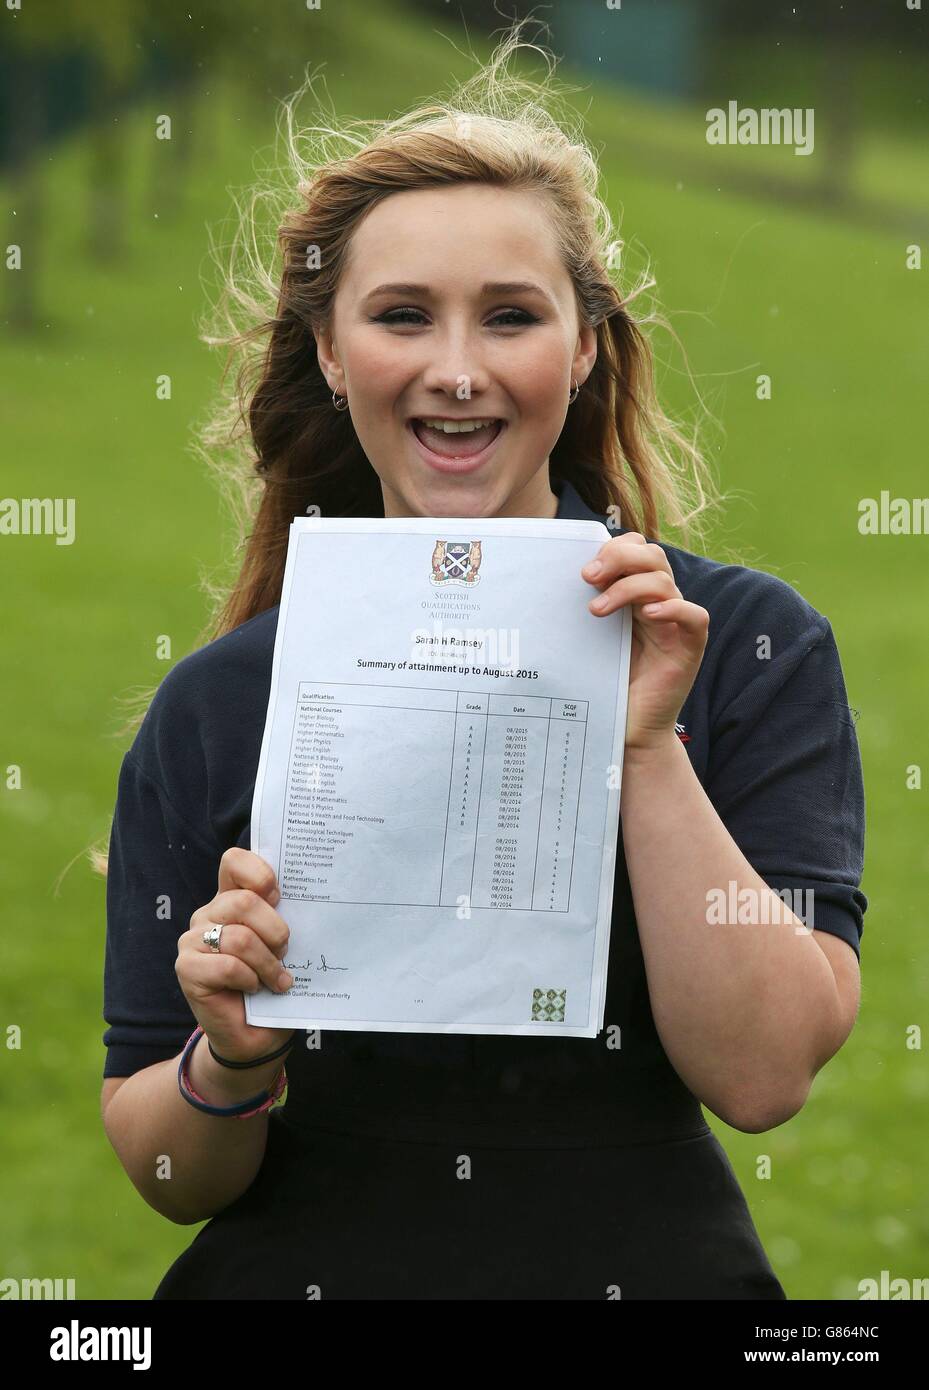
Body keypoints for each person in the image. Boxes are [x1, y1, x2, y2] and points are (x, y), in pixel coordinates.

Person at [98, 29, 866, 1300]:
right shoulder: (224, 697)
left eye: (509, 317)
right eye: (402, 317)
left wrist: (641, 743)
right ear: (334, 354)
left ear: (581, 348)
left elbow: (763, 1076)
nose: (456, 371)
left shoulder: (739, 644)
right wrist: (227, 1063)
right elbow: (169, 1178)